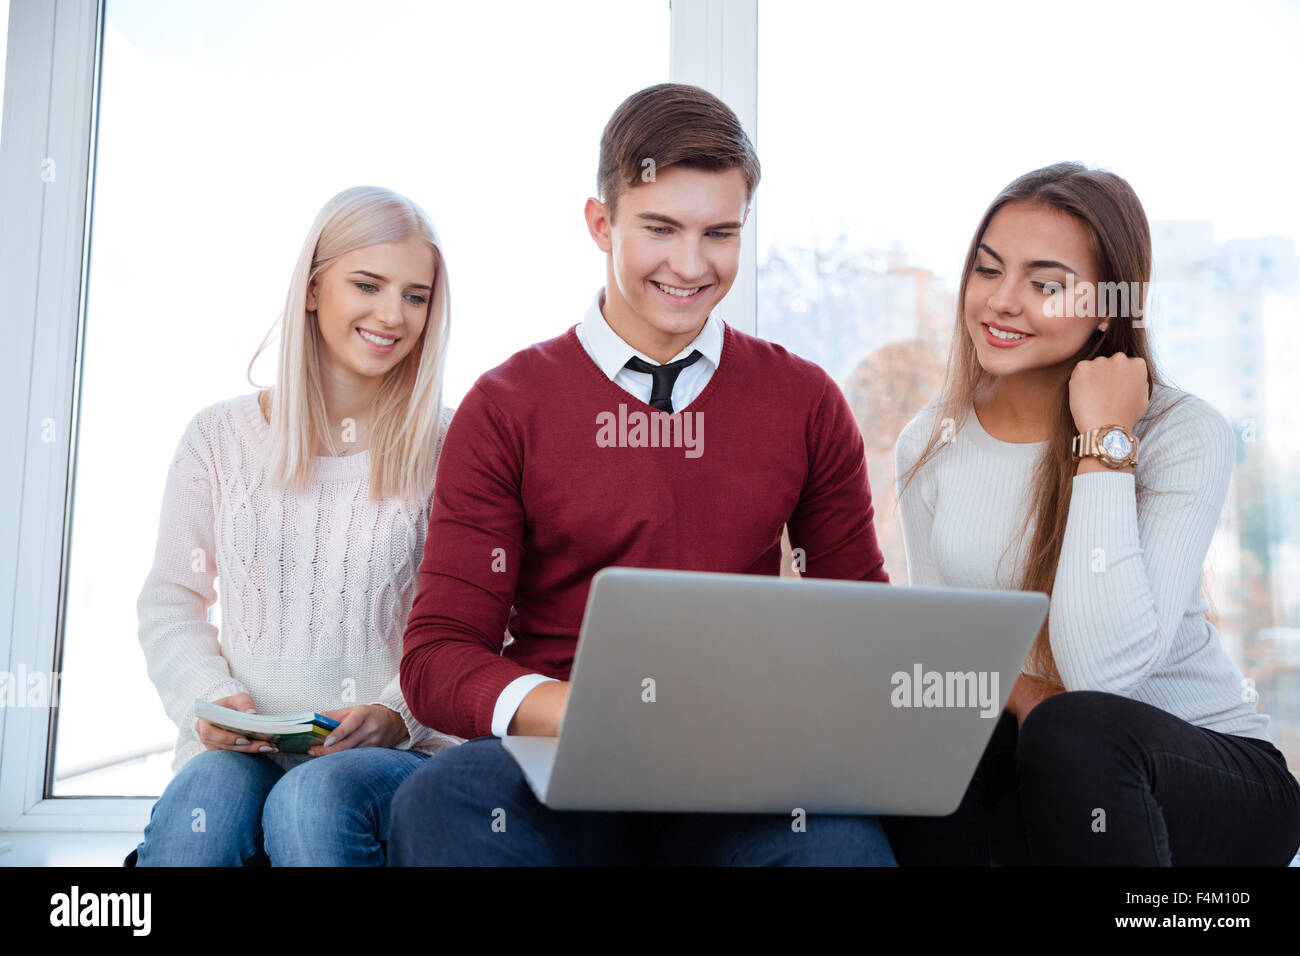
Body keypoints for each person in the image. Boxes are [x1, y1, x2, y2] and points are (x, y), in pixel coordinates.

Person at [387, 83, 897, 866]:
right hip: (561, 761)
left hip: (739, 775)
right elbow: (439, 657)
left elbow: (862, 627)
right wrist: (592, 711)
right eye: (660, 228)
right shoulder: (506, 405)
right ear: (601, 223)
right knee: (443, 800)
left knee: (842, 846)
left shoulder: (803, 401)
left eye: (718, 234)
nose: (690, 267)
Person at [885, 162, 1300, 866]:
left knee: (1071, 729)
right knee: (939, 730)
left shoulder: (1180, 432)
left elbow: (1103, 677)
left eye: (1045, 284)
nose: (1002, 302)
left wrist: (1105, 444)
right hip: (1045, 764)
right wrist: (1017, 689)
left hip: (1207, 774)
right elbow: (947, 650)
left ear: (1109, 306)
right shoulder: (933, 440)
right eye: (988, 271)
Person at [130, 185, 461, 866]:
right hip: (242, 748)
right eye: (367, 284)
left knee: (312, 803)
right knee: (202, 818)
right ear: (313, 290)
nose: (392, 315)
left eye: (416, 296)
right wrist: (211, 698)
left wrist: (399, 714)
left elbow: (480, 622)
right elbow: (171, 601)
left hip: (390, 755)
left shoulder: (450, 446)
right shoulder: (217, 439)